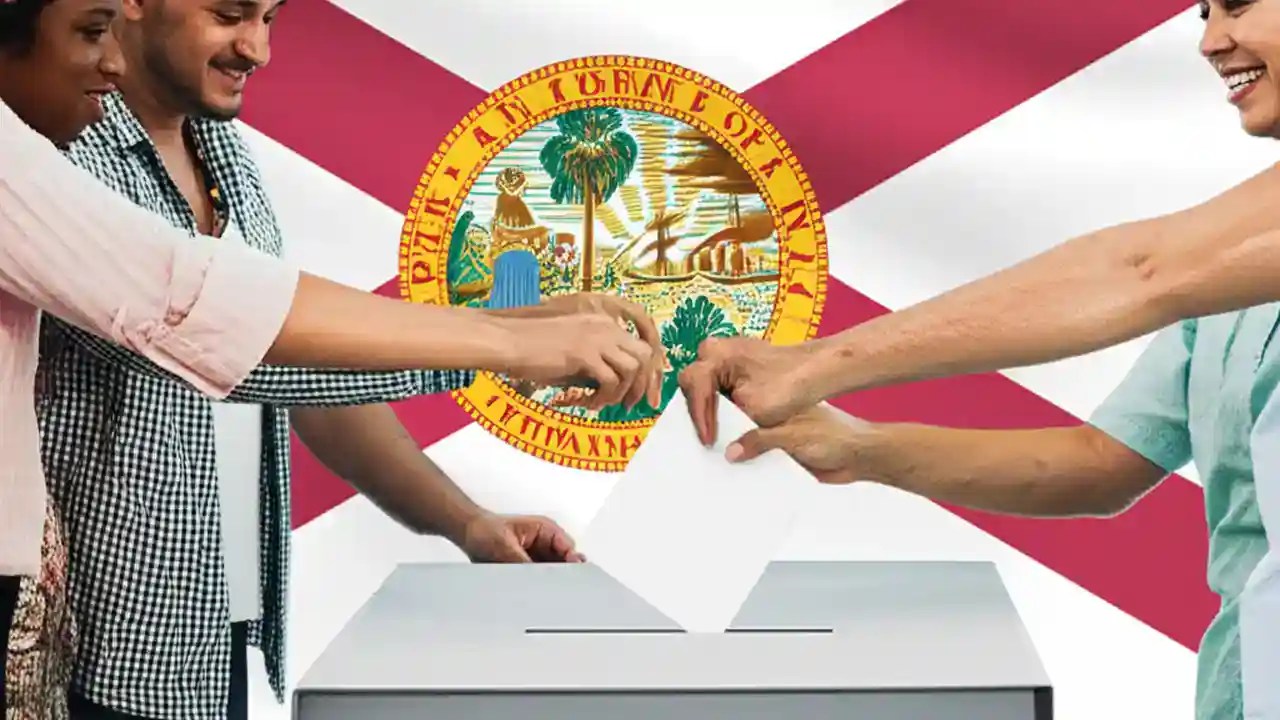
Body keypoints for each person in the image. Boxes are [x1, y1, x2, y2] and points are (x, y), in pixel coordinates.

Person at [0, 0, 661, 716]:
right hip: (105, 649)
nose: (257, 49)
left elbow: (303, 373)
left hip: (207, 632)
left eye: (271, 19)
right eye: (228, 15)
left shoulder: (224, 155)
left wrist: (465, 519)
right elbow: (229, 347)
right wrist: (511, 341)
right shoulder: (58, 141)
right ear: (133, 8)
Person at [678, 1, 1280, 718]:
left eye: (1240, 3)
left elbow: (1139, 272)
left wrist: (813, 362)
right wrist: (860, 448)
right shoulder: (1228, 277)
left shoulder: (1194, 264)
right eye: (1202, 14)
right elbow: (1100, 464)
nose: (1211, 41)